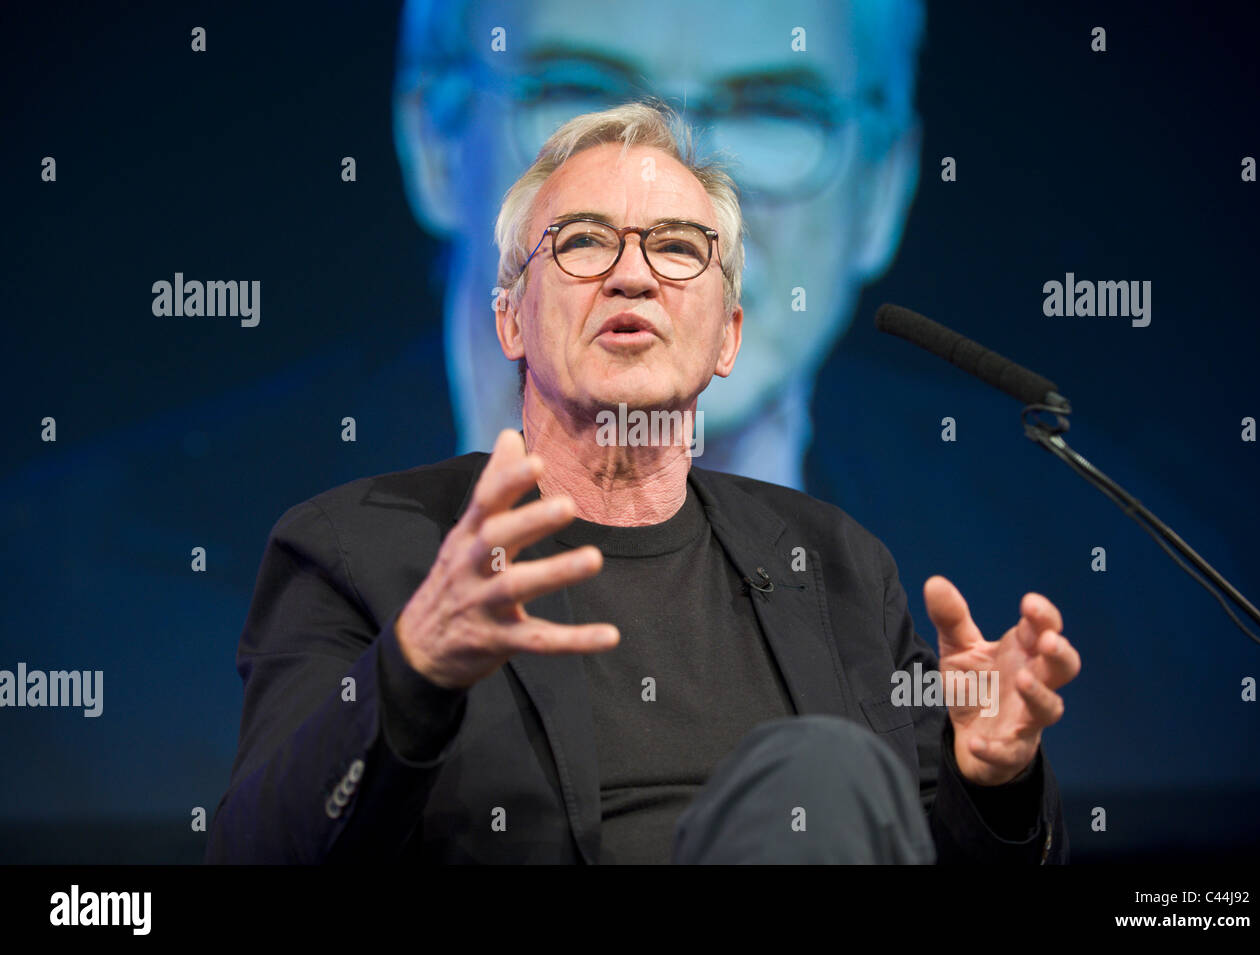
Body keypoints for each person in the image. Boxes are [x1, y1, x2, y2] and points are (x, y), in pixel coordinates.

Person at [206, 102, 1080, 864]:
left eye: (677, 247)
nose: (633, 273)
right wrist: (413, 666)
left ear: (727, 336)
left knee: (824, 774)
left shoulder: (839, 569)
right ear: (510, 317)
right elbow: (256, 849)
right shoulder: (358, 548)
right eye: (584, 241)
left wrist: (993, 778)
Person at [394, 0, 925, 488]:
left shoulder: (1001, 532)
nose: (673, 203)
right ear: (437, 143)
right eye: (585, 94)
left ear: (881, 186)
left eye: (773, 111)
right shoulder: (314, 518)